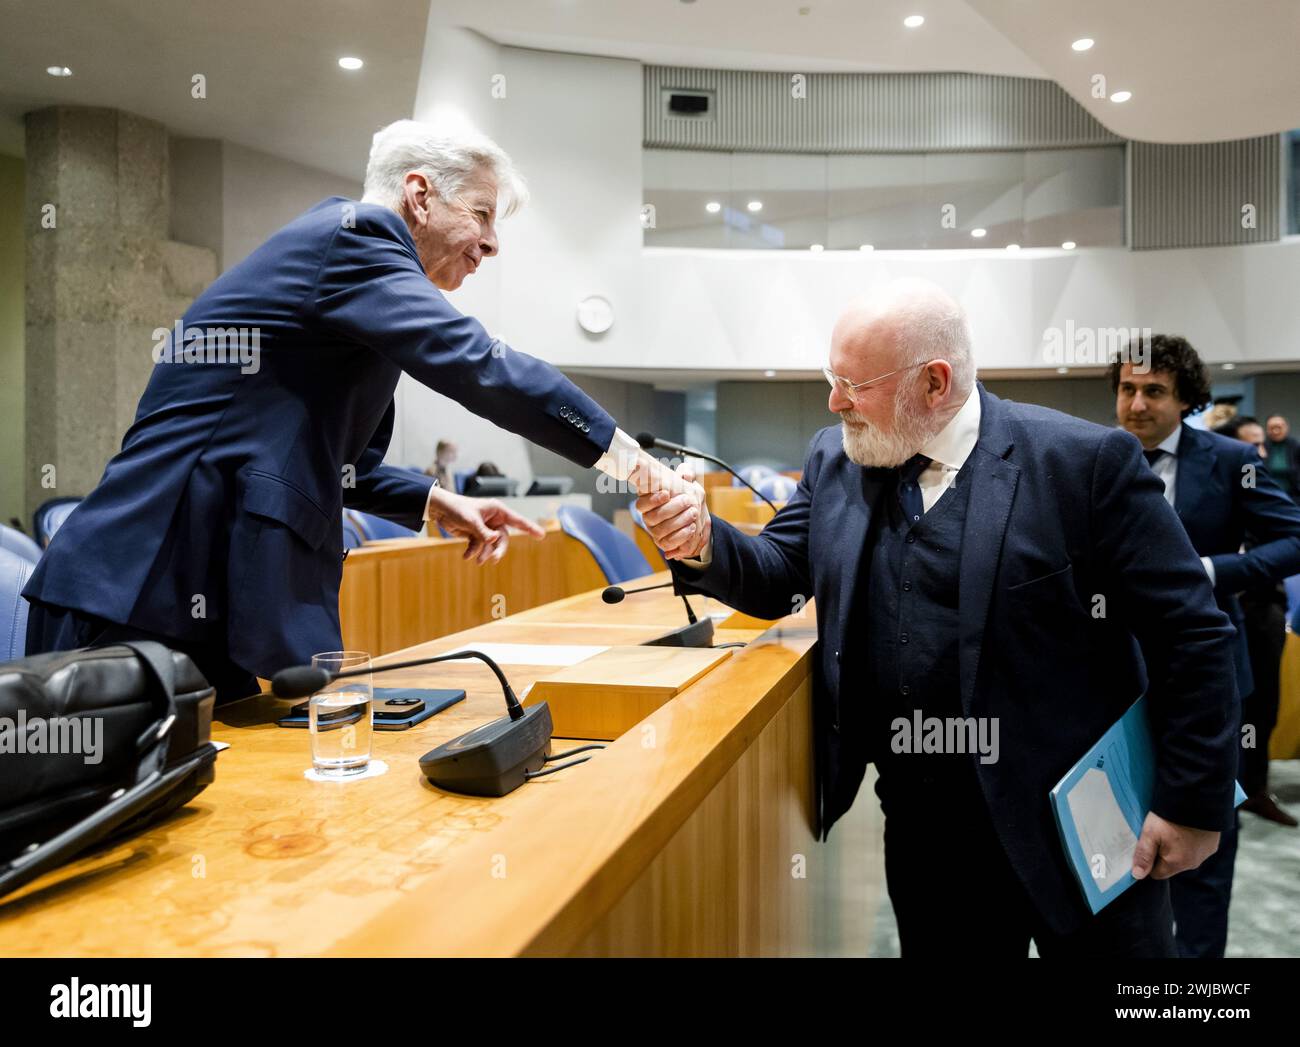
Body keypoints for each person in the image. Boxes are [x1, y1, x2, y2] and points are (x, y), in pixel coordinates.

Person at [637, 279, 1238, 958]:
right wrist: (703, 542)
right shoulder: (838, 456)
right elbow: (781, 570)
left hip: (1079, 819)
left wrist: (1191, 802)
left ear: (933, 383)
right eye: (830, 377)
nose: (834, 401)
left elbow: (1192, 632)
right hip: (928, 829)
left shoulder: (1082, 464)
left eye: (852, 383)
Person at [22, 119, 666, 701]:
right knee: (97, 825)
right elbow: (483, 367)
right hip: (136, 587)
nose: (491, 243)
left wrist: (436, 502)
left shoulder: (350, 268)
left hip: (190, 597)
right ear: (419, 194)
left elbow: (335, 463)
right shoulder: (353, 240)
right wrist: (636, 466)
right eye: (482, 214)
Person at [1112, 339, 1300, 956]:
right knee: (1115, 840)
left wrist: (1214, 571)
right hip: (1109, 678)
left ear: (1187, 399)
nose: (1136, 405)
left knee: (1202, 840)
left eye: (1155, 391)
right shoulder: (1089, 457)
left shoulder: (1231, 459)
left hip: (1209, 679)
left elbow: (1292, 538)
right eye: (1127, 389)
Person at [1211, 416, 1298, 828]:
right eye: (1251, 445)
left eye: (1262, 445)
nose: (1260, 454)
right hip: (1219, 613)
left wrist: (1232, 570)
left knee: (1263, 707)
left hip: (1262, 608)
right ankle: (1225, 792)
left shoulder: (1263, 490)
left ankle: (1255, 789)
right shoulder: (1217, 487)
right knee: (1225, 712)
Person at [1264, 414, 1300, 500]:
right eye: (1272, 428)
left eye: (1279, 427)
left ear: (1287, 428)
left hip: (1293, 496)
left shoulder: (1296, 446)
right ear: (1267, 429)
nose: (1275, 431)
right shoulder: (1260, 447)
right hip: (1266, 496)